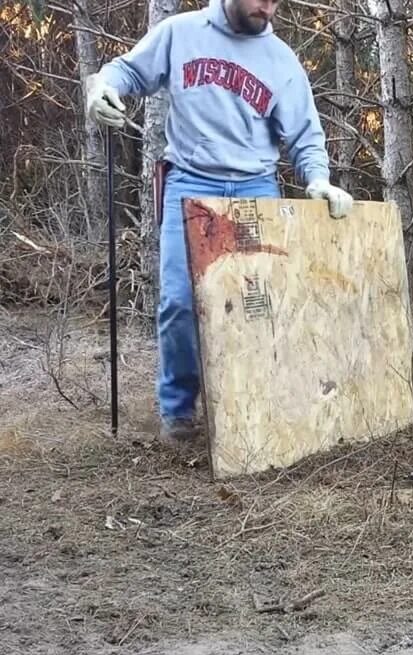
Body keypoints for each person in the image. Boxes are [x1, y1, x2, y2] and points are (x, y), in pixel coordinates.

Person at [83, 0, 354, 444]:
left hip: (255, 189)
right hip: (190, 184)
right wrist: (102, 89)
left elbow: (305, 136)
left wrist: (319, 180)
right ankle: (179, 414)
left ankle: (254, 407)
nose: (268, 6)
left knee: (258, 308)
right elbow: (127, 71)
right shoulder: (180, 33)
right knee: (180, 303)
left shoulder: (281, 60)